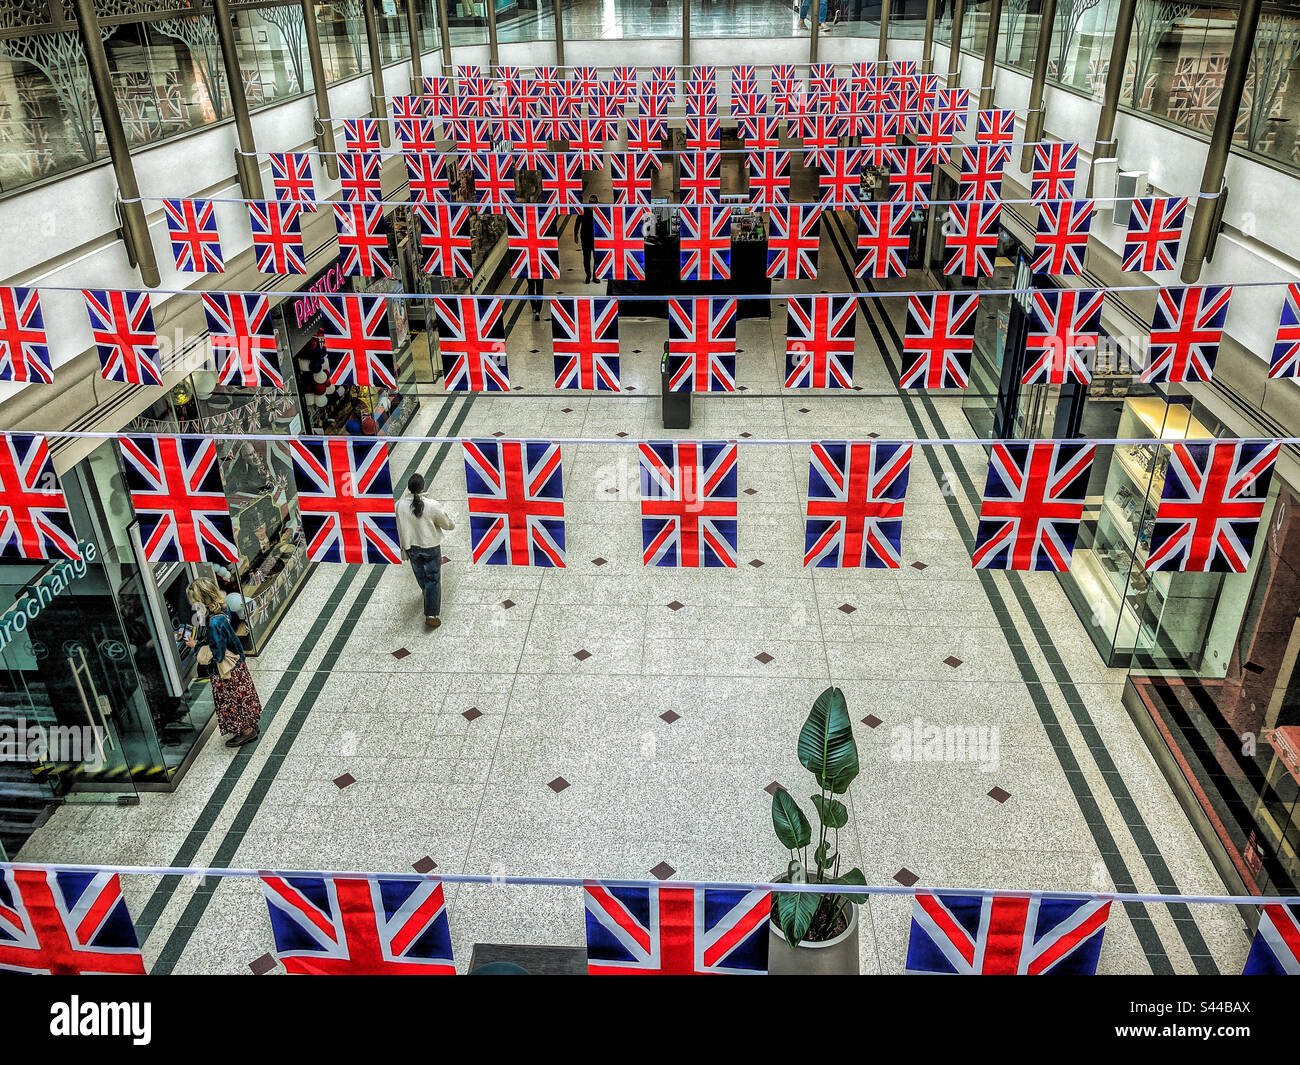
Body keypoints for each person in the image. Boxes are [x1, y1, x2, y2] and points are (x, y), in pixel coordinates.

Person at [185, 578, 262, 748]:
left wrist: (197, 647)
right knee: (243, 696)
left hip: (225, 670)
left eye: (195, 601)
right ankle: (250, 723)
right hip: (236, 662)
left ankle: (247, 732)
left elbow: (218, 654)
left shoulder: (213, 623)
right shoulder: (223, 609)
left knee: (233, 700)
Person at [396, 473, 456, 628]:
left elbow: (399, 528)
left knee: (420, 574)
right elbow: (446, 523)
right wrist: (451, 525)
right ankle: (431, 614)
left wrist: (403, 547)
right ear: (422, 487)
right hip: (430, 547)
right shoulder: (431, 505)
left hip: (411, 547)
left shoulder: (400, 505)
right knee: (433, 578)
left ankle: (426, 592)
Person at [576, 194, 597, 283]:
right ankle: (588, 275)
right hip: (585, 238)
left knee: (597, 258)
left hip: (596, 239)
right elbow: (577, 222)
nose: (591, 204)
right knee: (586, 258)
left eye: (593, 202)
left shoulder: (599, 212)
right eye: (590, 202)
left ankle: (595, 276)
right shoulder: (583, 211)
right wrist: (575, 234)